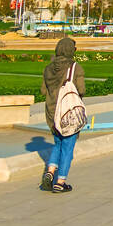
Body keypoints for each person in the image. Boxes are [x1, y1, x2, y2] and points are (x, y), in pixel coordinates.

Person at [40, 36, 85, 193]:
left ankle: (50, 171)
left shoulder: (48, 68)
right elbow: (81, 90)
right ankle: (60, 182)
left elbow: (43, 91)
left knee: (58, 144)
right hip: (67, 112)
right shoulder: (75, 67)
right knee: (67, 148)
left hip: (51, 112)